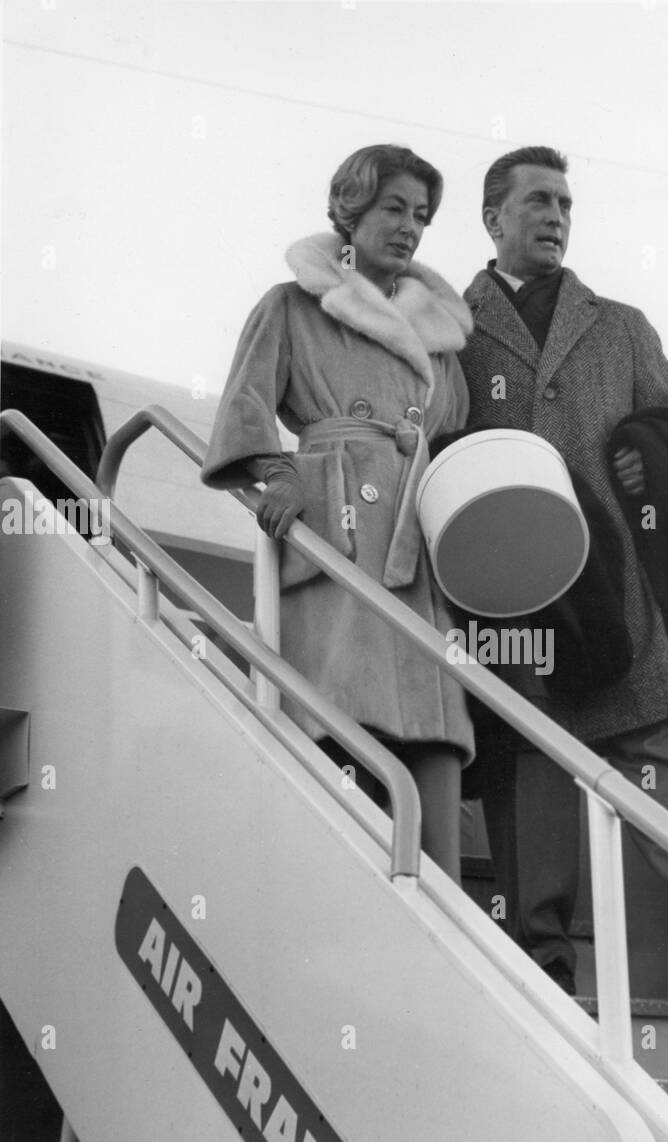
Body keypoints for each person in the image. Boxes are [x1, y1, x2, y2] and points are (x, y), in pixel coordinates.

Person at [460, 145, 668, 990]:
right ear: (493, 218)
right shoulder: (449, 327)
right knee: (525, 753)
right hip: (506, 582)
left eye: (565, 203)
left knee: (647, 737)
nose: (556, 216)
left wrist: (644, 460)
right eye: (538, 202)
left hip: (614, 578)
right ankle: (542, 950)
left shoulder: (622, 326)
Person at [201, 144, 474, 880]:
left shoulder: (441, 341)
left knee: (428, 717)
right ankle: (336, 872)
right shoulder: (291, 303)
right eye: (394, 208)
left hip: (415, 532)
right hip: (336, 518)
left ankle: (437, 889)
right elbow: (247, 407)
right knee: (340, 698)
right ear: (350, 208)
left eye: (421, 215)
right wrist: (280, 471)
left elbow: (452, 434)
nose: (410, 227)